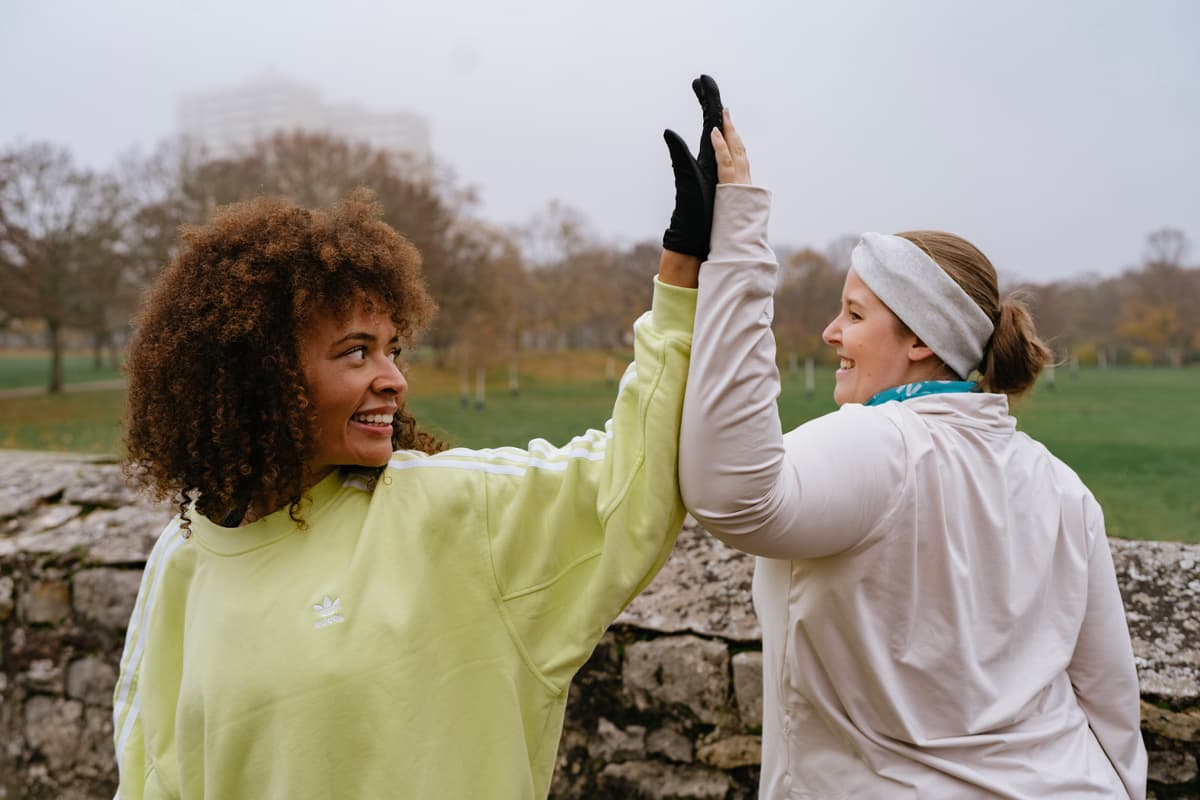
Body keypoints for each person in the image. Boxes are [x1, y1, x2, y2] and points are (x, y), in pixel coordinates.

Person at [111, 75, 727, 799]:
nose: (394, 379)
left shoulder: (447, 512)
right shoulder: (182, 560)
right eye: (355, 352)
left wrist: (684, 275)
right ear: (260, 375)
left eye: (393, 349)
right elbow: (151, 771)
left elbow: (628, 481)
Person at [679, 112, 1148, 798]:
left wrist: (735, 239)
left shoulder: (877, 442)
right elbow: (1108, 698)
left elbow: (730, 493)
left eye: (856, 314)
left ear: (922, 339)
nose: (831, 331)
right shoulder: (1060, 485)